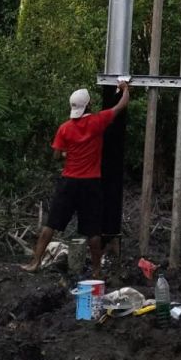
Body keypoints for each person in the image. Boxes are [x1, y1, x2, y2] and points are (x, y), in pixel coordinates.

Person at [21, 80, 130, 274]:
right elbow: (121, 105)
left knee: (51, 223)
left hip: (68, 182)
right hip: (91, 183)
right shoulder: (98, 121)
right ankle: (96, 270)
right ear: (89, 105)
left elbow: (57, 155)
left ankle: (35, 262)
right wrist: (125, 88)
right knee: (93, 230)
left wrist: (66, 154)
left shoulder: (65, 128)